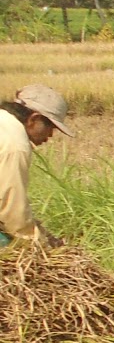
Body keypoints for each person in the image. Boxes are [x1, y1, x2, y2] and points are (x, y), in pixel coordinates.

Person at [1, 85, 73, 247]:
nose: (50, 136)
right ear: (33, 119)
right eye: (50, 127)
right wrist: (41, 242)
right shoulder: (15, 144)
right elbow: (12, 210)